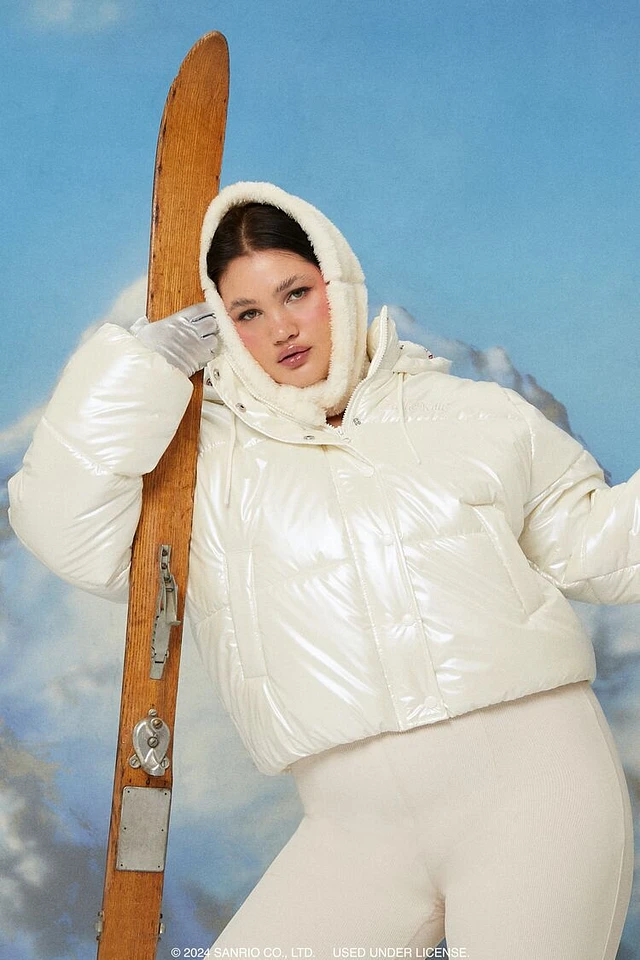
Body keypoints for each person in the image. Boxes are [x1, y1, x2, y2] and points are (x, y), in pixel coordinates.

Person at [8, 181, 639, 959]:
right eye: (246, 313)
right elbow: (63, 534)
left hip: (534, 793)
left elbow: (599, 544)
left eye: (295, 293)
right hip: (354, 831)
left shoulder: (470, 414)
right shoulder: (200, 469)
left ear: (336, 282)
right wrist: (141, 368)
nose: (280, 328)